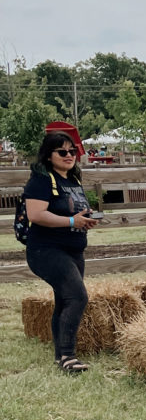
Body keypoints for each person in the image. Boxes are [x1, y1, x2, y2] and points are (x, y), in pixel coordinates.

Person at [22, 130, 98, 373]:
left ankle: (60, 355)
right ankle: (68, 357)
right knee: (78, 297)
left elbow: (70, 211)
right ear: (48, 155)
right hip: (46, 250)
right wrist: (73, 222)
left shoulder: (72, 180)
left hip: (73, 249)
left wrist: (84, 219)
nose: (69, 155)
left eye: (72, 151)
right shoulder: (41, 180)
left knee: (64, 299)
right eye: (62, 151)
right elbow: (36, 215)